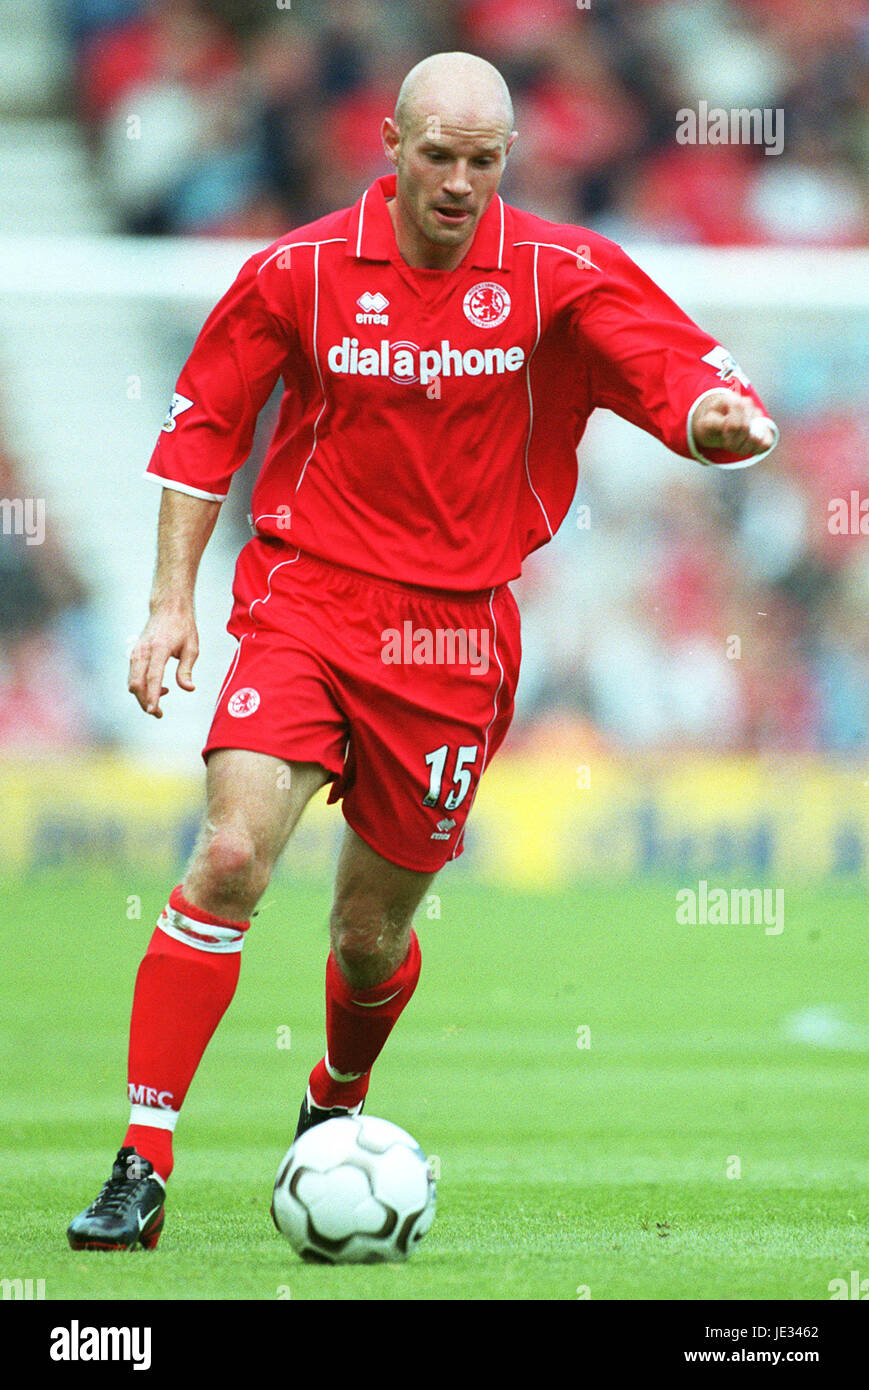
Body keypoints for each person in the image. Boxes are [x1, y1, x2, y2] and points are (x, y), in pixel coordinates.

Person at [67, 51, 778, 1250]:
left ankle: (331, 1107)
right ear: (389, 144)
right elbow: (202, 431)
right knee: (232, 853)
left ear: (509, 161)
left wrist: (711, 421)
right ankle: (142, 1158)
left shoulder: (558, 274)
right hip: (305, 599)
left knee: (368, 935)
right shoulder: (295, 271)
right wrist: (170, 603)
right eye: (436, 155)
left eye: (482, 162)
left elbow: (679, 371)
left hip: (454, 636)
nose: (457, 182)